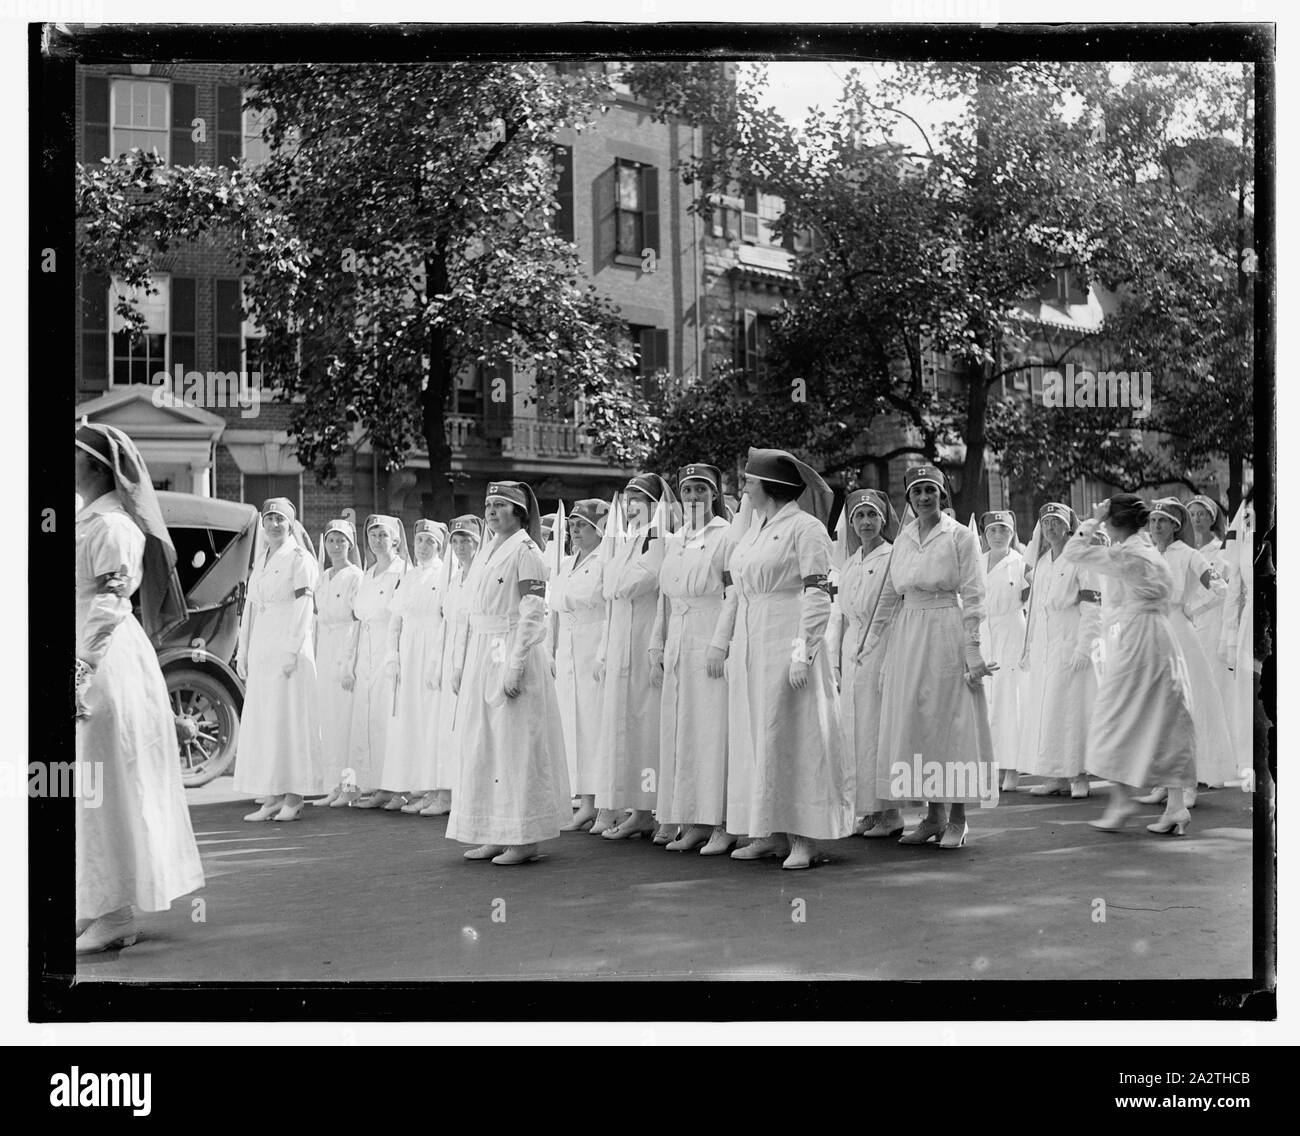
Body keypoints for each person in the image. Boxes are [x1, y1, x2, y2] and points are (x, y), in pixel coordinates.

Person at [74, 423, 205, 954]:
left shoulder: (113, 526)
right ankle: (94, 902)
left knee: (100, 781)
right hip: (87, 650)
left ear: (96, 465)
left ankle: (115, 912)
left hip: (104, 662)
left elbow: (109, 602)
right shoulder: (87, 519)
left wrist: (81, 668)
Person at [711, 448, 855, 869]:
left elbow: (817, 595)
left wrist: (802, 653)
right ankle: (770, 831)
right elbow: (738, 590)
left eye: (750, 481)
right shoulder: (755, 529)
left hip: (788, 638)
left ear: (770, 485)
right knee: (760, 737)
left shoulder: (806, 528)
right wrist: (726, 644)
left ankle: (805, 837)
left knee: (798, 738)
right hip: (752, 643)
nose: (744, 488)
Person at [858, 464, 998, 849]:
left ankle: (958, 817)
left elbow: (973, 594)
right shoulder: (903, 538)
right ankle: (932, 816)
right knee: (918, 721)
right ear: (909, 498)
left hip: (945, 628)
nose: (924, 498)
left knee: (950, 721)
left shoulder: (960, 536)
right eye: (917, 491)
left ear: (942, 494)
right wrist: (869, 642)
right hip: (909, 632)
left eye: (931, 491)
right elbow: (889, 593)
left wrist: (972, 649)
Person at [445, 481, 571, 864]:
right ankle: (494, 830)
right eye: (489, 504)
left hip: (512, 646)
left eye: (502, 505)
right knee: (484, 745)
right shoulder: (485, 551)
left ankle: (524, 836)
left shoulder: (528, 551)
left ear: (519, 512)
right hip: (484, 651)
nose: (493, 511)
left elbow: (534, 610)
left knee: (515, 745)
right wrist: (463, 661)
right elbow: (471, 613)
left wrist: (515, 667)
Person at [1059, 496, 1198, 836]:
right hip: (1163, 637)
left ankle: (1122, 800)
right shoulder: (1151, 552)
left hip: (1137, 638)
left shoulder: (1126, 555)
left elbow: (1073, 553)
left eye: (1108, 521)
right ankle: (1176, 805)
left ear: (1114, 522)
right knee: (1168, 717)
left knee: (1114, 715)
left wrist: (1093, 518)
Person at [649, 464, 735, 854]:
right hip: (679, 639)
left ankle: (722, 821)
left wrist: (721, 643)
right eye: (688, 490)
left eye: (702, 489)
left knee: (712, 730)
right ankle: (694, 818)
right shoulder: (676, 538)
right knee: (682, 731)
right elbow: (665, 600)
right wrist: (656, 646)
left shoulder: (726, 536)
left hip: (708, 632)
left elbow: (733, 595)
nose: (694, 497)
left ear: (714, 494)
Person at [593, 473, 677, 841]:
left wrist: (617, 581)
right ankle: (639, 810)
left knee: (650, 726)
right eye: (628, 500)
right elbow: (608, 588)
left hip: (647, 638)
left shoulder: (662, 538)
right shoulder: (628, 541)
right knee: (626, 727)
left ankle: (665, 812)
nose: (632, 507)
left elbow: (638, 581)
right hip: (620, 642)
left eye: (640, 499)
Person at [234, 498, 324, 822]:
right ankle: (271, 794)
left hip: (290, 647)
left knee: (289, 721)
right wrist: (243, 650)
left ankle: (294, 794)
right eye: (269, 519)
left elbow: (303, 610)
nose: (274, 525)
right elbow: (250, 607)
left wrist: (291, 650)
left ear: (290, 524)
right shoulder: (261, 559)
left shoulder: (300, 559)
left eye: (280, 520)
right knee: (266, 722)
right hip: (263, 647)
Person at [1140, 497, 1236, 800]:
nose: (1156, 526)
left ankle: (1189, 783)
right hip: (1153, 633)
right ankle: (1164, 783)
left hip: (1181, 634)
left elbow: (1221, 588)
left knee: (1188, 709)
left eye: (1163, 521)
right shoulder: (1149, 555)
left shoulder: (1190, 555)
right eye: (1153, 521)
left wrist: (1191, 607)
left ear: (1175, 526)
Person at [828, 488, 904, 838]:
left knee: (877, 727)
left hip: (881, 645)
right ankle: (868, 809)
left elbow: (895, 610)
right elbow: (842, 614)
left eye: (872, 515)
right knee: (854, 730)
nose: (866, 522)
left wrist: (889, 657)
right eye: (859, 516)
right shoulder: (850, 561)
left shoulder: (892, 557)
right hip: (851, 646)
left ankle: (890, 811)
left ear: (884, 518)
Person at [1016, 503, 1100, 799]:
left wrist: (1085, 646)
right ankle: (1055, 775)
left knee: (1073, 710)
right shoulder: (1041, 563)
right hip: (1045, 643)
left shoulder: (1081, 558)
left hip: (1070, 637)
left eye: (1056, 522)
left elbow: (1092, 605)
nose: (1051, 528)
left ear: (1068, 526)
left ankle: (1079, 775)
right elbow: (1034, 610)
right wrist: (1028, 648)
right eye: (1046, 523)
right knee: (1048, 710)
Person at [382, 519, 449, 814]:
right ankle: (418, 788)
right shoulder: (408, 577)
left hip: (430, 649)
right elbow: (395, 621)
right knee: (410, 720)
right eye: (419, 540)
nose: (423, 547)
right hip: (408, 651)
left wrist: (437, 660)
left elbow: (445, 620)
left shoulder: (444, 574)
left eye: (430, 542)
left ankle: (437, 790)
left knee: (430, 720)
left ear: (439, 546)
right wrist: (393, 657)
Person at [551, 499, 610, 831]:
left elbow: (608, 610)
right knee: (574, 725)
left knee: (595, 724)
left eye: (581, 525)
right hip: (568, 647)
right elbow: (555, 610)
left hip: (593, 642)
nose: (574, 530)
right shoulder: (565, 562)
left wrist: (602, 653)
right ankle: (585, 802)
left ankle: (605, 804)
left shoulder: (605, 560)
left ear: (598, 530)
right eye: (572, 525)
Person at [344, 515, 409, 807]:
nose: (376, 541)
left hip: (389, 647)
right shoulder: (368, 573)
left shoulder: (401, 571)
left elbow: (399, 616)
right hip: (367, 651)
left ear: (395, 539)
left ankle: (395, 788)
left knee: (388, 718)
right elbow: (359, 615)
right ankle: (376, 786)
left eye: (383, 535)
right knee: (368, 720)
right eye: (372, 535)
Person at [423, 515, 483, 816]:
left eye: (466, 540)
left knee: (469, 728)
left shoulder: (482, 576)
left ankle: (467, 794)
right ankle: (446, 793)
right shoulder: (455, 579)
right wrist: (437, 664)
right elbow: (444, 623)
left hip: (474, 656)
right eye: (456, 541)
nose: (460, 547)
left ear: (478, 542)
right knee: (447, 727)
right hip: (451, 659)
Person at [311, 518, 364, 806]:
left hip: (345, 644)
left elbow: (357, 624)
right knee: (329, 722)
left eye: (340, 541)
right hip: (325, 649)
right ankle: (334, 785)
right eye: (331, 540)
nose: (335, 546)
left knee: (345, 723)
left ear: (350, 544)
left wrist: (349, 665)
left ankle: (350, 786)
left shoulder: (356, 576)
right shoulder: (323, 577)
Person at [978, 512, 1029, 794]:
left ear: (1012, 533)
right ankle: (994, 764)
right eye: (992, 530)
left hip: (1011, 629)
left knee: (1010, 699)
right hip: (986, 631)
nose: (997, 534)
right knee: (988, 699)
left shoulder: (1020, 563)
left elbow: (1030, 600)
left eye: (1003, 529)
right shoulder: (977, 561)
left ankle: (1012, 767)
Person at [1185, 494, 1232, 689]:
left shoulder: (1221, 551)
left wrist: (1191, 609)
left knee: (1210, 677)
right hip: (1189, 622)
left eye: (1201, 514)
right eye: (1192, 514)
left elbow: (1219, 592)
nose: (1196, 519)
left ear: (1212, 518)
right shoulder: (1186, 550)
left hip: (1211, 622)